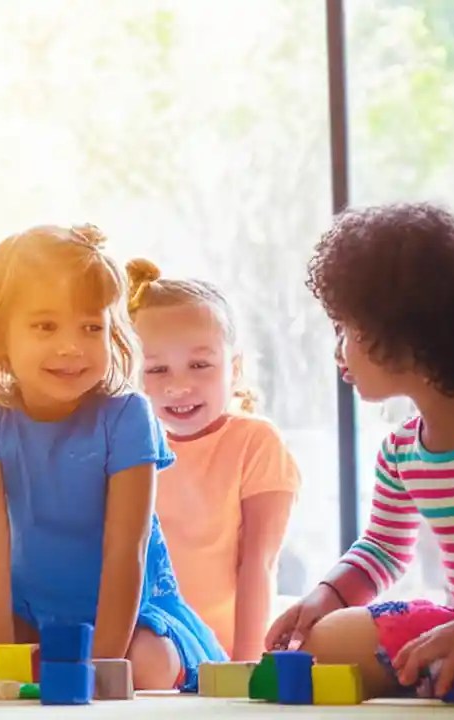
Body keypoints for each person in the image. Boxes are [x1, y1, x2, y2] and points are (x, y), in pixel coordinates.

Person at [0, 225, 226, 691]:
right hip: (29, 610)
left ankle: (82, 665)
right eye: (45, 326)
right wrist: (1, 665)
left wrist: (100, 667)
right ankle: (43, 665)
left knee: (145, 666)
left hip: (131, 615)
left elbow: (126, 551)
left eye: (91, 327)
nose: (71, 346)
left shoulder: (128, 415)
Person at [265, 203, 454, 698]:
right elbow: (385, 546)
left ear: (405, 332)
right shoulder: (403, 450)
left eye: (346, 328)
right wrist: (328, 594)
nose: (338, 349)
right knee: (325, 643)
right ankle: (447, 665)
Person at [128, 258, 300, 660]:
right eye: (157, 370)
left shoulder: (255, 442)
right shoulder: (124, 445)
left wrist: (243, 667)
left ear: (234, 368)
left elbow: (258, 563)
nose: (179, 386)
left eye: (200, 365)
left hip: (224, 651)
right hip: (146, 645)